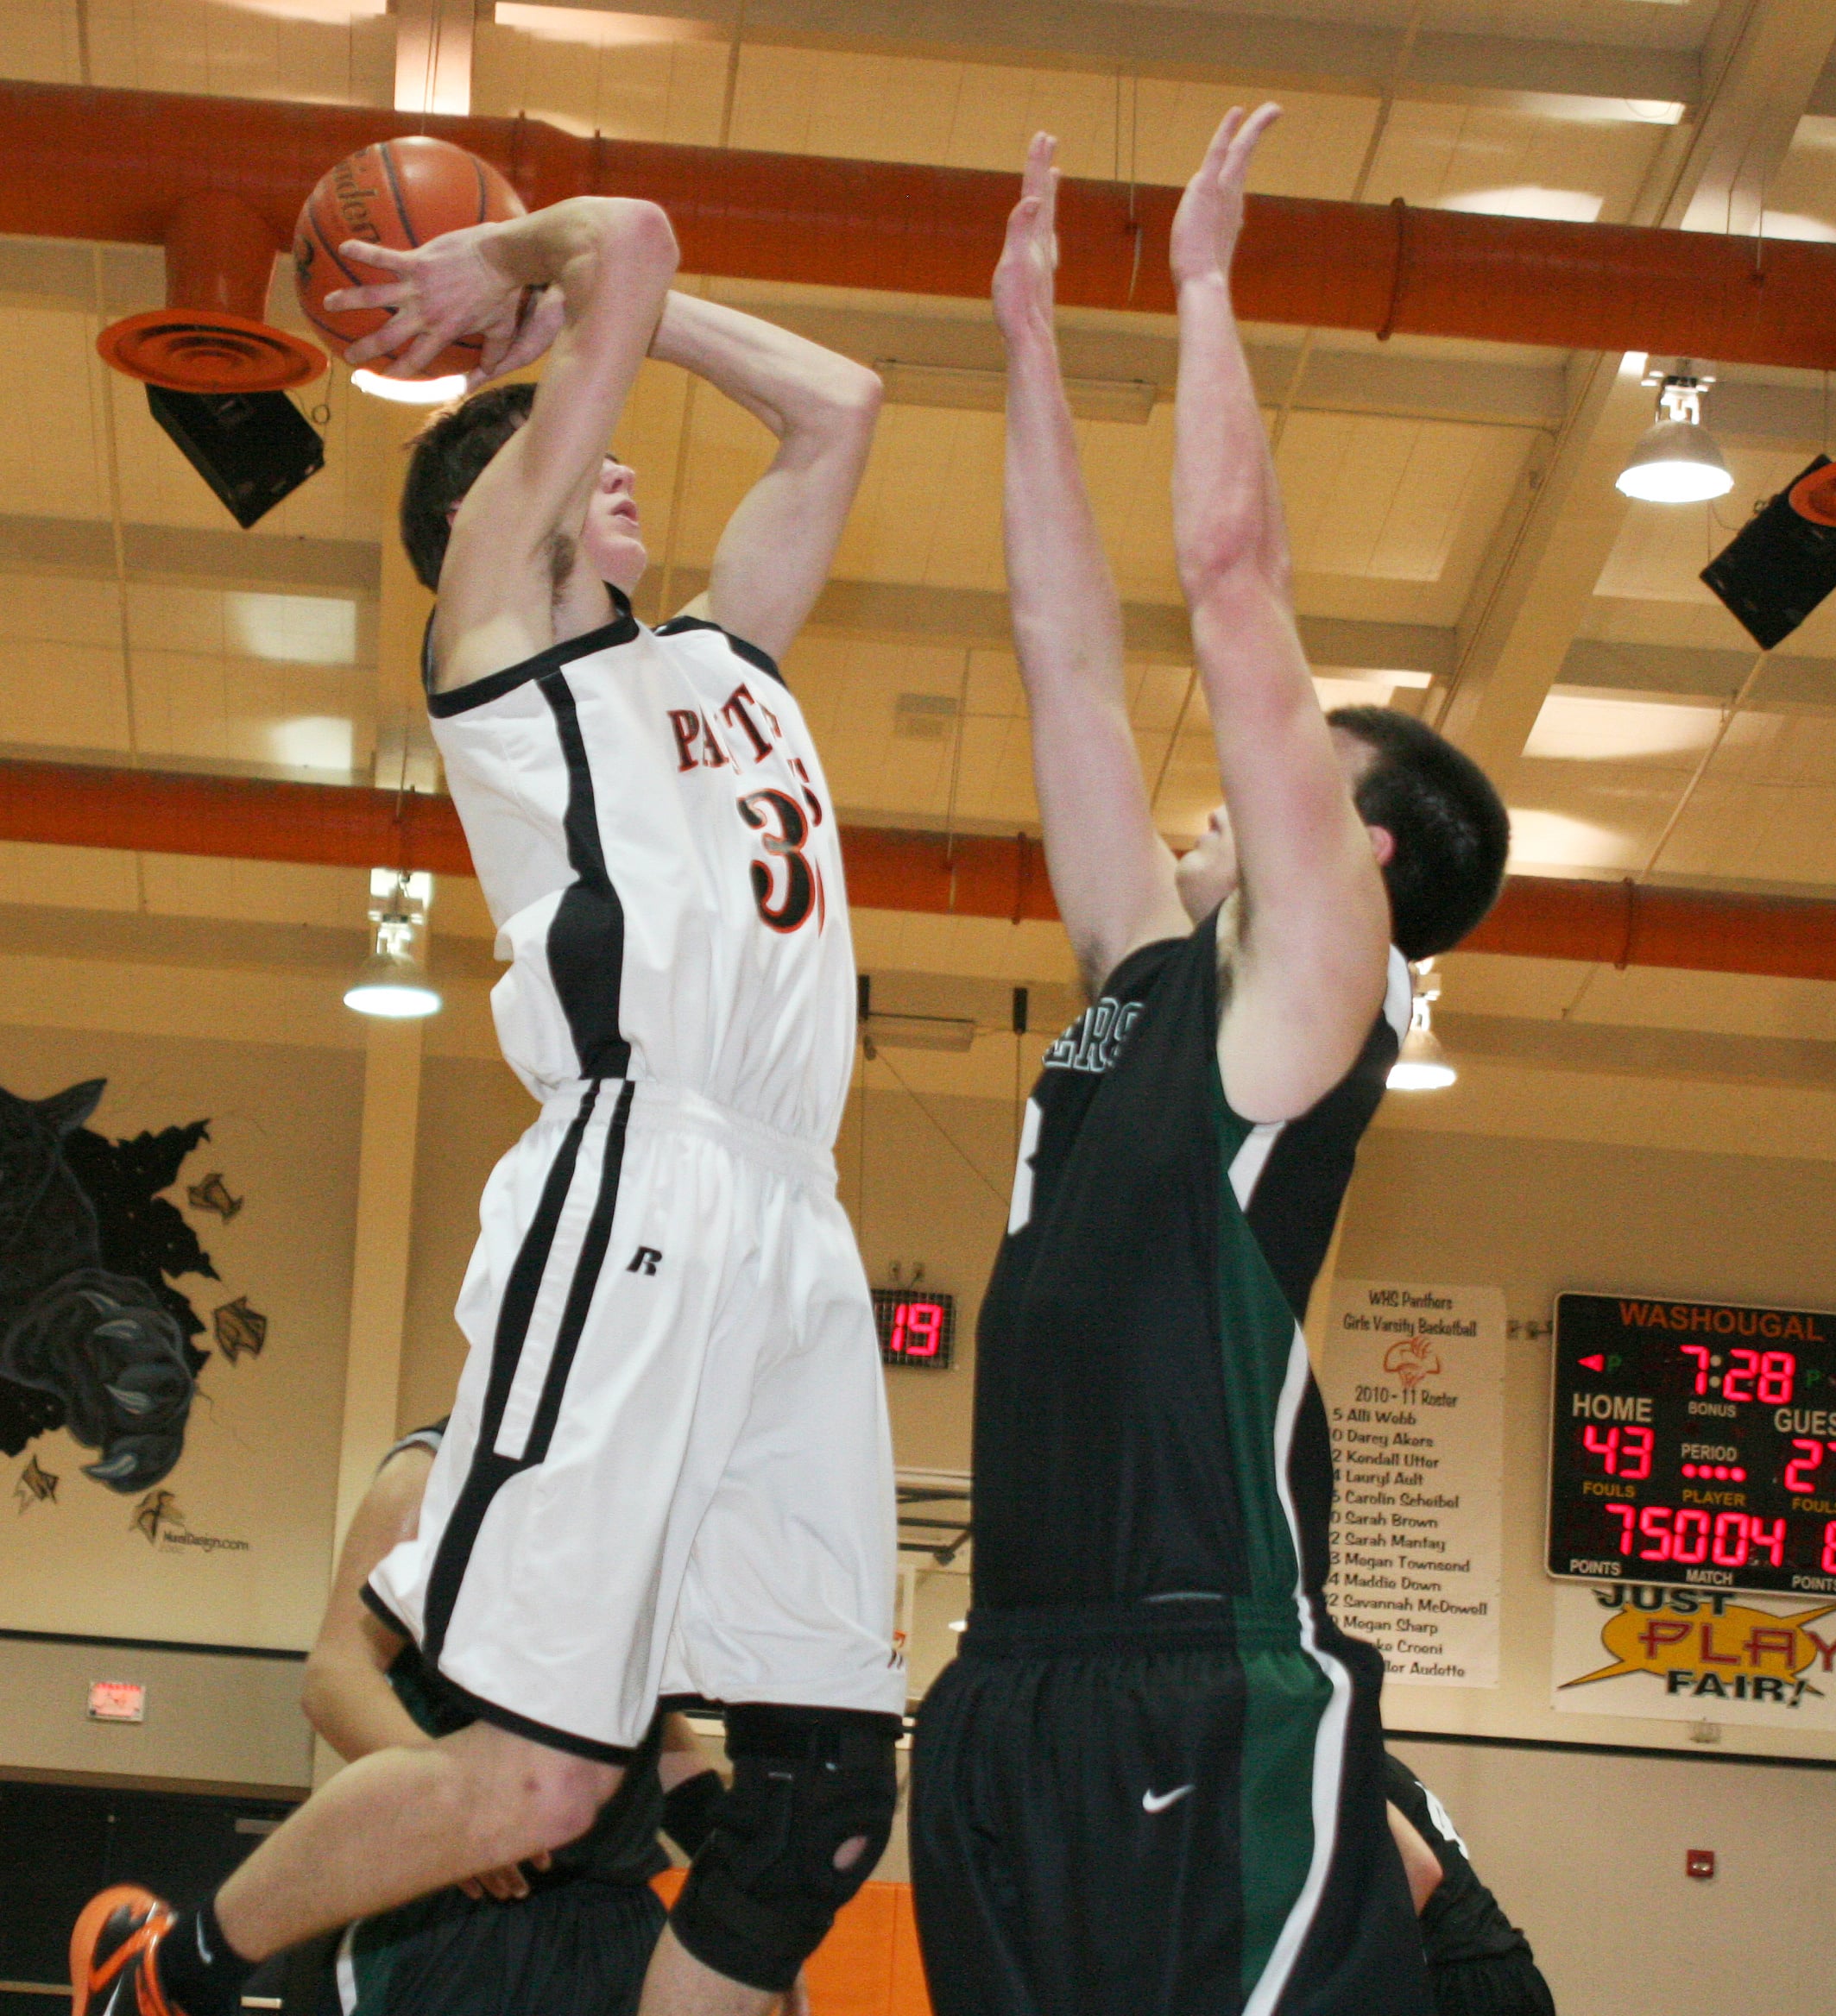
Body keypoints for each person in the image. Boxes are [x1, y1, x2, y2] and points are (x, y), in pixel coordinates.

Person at [75, 191, 903, 2016]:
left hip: (792, 1210)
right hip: (642, 1173)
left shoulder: (721, 663)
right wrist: (535, 271)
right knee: (540, 1770)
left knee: (824, 1798)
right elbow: (639, 233)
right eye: (556, 459)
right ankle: (182, 1966)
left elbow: (837, 406)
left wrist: (615, 311)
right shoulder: (501, 658)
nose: (611, 473)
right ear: (483, 524)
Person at [909, 112, 1510, 2016]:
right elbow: (1061, 655)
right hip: (1011, 1662)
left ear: (1362, 855)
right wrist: (1021, 348)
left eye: (1280, 775)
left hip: (1200, 1661)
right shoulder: (1149, 978)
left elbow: (1227, 580)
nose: (1218, 781)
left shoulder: (1311, 996)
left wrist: (1197, 288)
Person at [282, 1418, 809, 2016]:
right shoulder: (434, 1470)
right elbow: (334, 1677)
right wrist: (454, 1799)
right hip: (457, 1909)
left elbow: (647, 1719)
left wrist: (747, 1914)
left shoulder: (640, 1484)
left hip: (616, 1914)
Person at [1381, 1757, 1555, 2016]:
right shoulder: (1378, 1765)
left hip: (1466, 1980)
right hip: (1499, 1970)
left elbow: (1422, 1872)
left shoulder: (1344, 1767)